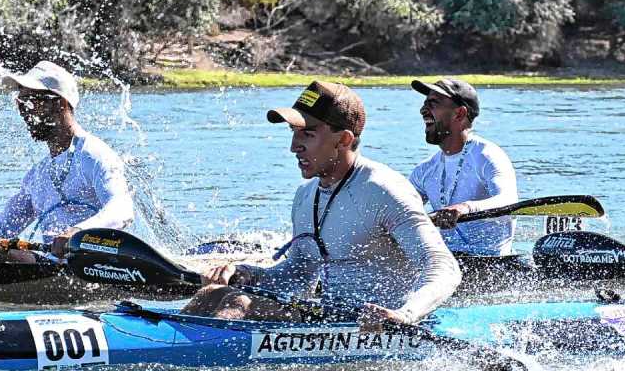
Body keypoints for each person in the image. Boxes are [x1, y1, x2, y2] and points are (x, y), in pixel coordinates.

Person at [181, 81, 461, 327]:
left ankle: (185, 365)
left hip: (379, 325)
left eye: (308, 134)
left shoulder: (383, 190)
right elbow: (300, 273)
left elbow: (443, 267)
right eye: (293, 132)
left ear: (343, 139)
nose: (294, 146)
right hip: (328, 316)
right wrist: (247, 275)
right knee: (212, 294)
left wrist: (406, 314)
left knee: (238, 305)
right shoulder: (305, 196)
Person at [0, 60, 134, 262]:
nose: (23, 111)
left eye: (30, 102)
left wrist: (77, 231)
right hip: (52, 267)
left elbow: (122, 209)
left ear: (60, 103)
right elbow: (2, 230)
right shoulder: (38, 175)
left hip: (93, 267)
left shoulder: (95, 155)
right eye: (20, 103)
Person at [408, 78, 519, 256]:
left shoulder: (487, 156)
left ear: (459, 113)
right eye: (424, 104)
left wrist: (463, 208)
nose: (423, 110)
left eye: (433, 103)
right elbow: (400, 211)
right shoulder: (425, 170)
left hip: (491, 263)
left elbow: (508, 200)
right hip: (446, 263)